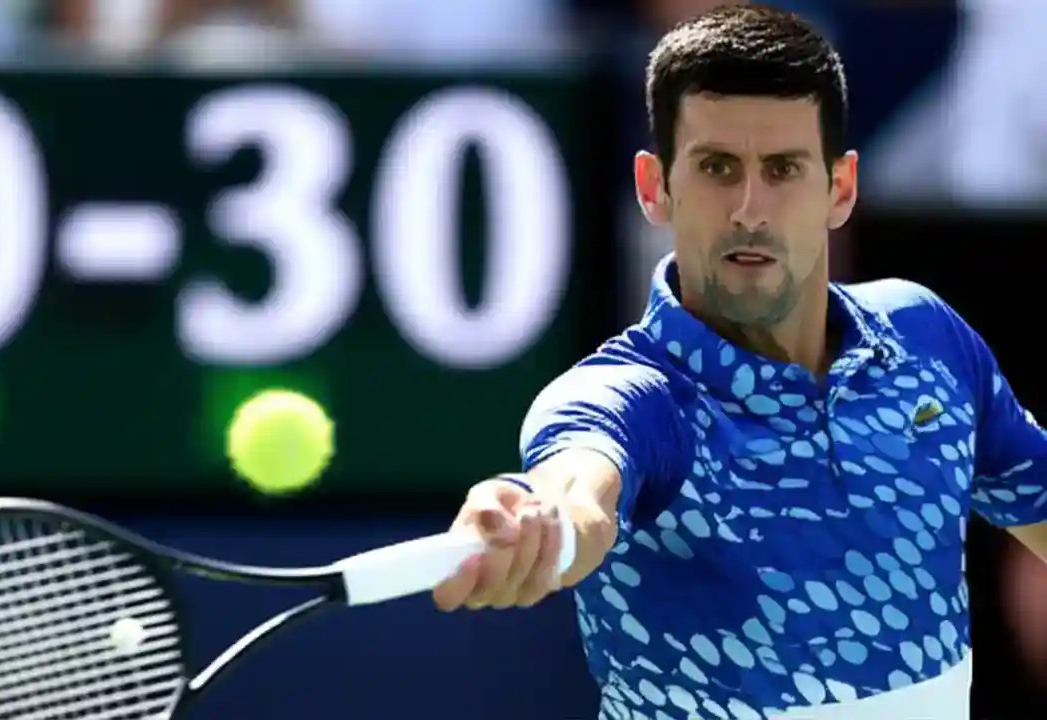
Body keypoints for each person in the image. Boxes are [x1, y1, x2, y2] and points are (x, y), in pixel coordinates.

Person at [431, 5, 1047, 719]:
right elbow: (578, 490)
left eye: (783, 169)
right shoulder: (630, 398)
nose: (750, 209)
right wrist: (538, 522)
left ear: (838, 188)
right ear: (655, 186)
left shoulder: (927, 336)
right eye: (717, 167)